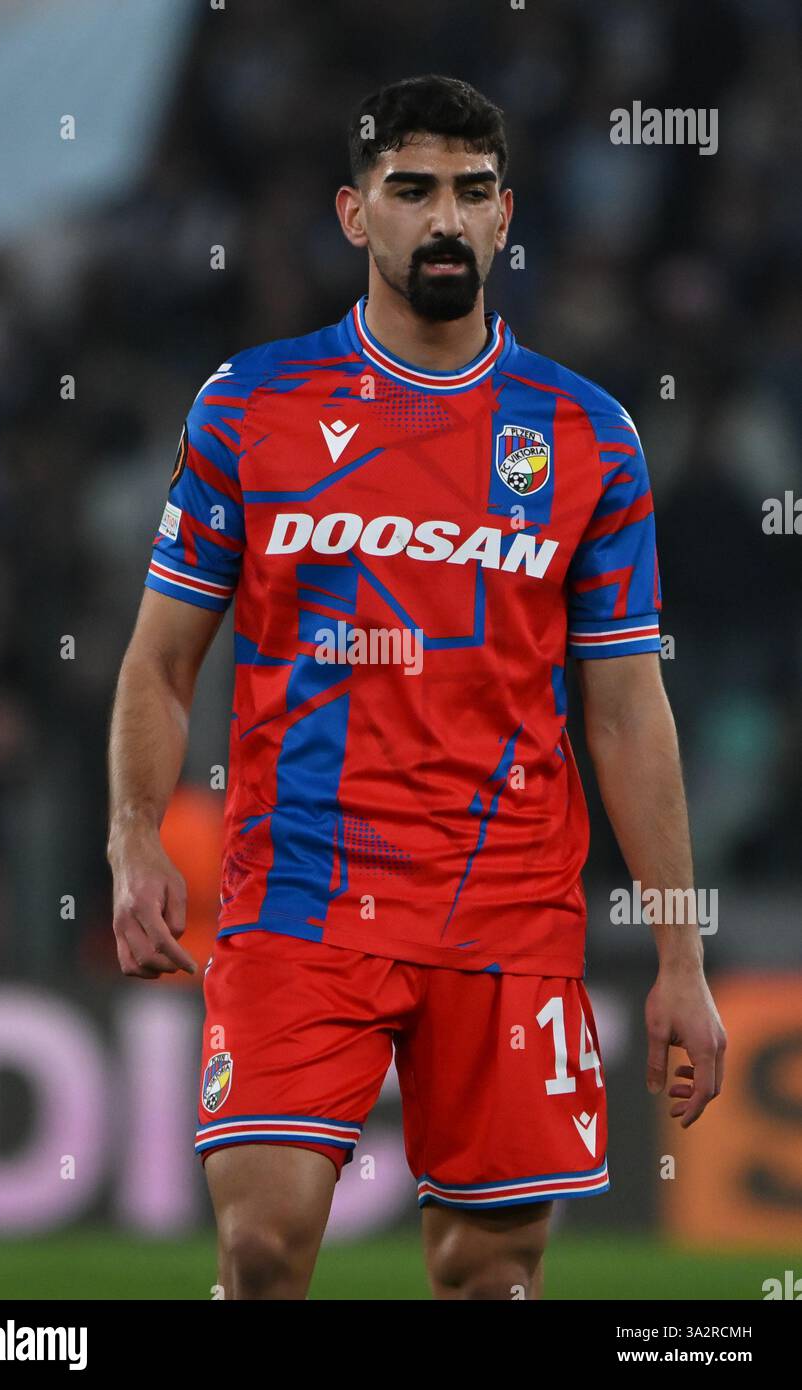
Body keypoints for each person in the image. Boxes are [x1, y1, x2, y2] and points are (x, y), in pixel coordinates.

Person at [107, 74, 726, 1300]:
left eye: (471, 192)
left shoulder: (586, 435)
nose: (443, 218)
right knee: (261, 1248)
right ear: (354, 214)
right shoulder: (249, 407)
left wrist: (679, 953)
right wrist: (134, 833)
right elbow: (157, 659)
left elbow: (623, 708)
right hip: (298, 892)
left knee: (486, 1279)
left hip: (504, 908)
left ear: (505, 218)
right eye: (411, 190)